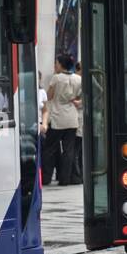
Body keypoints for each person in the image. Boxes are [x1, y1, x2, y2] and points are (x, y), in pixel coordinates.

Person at [43, 54, 82, 186]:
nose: (55, 65)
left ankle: (46, 178)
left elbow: (49, 96)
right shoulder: (78, 79)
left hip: (57, 118)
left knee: (50, 149)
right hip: (72, 118)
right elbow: (80, 96)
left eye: (56, 63)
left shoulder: (56, 78)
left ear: (61, 65)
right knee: (69, 150)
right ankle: (65, 179)